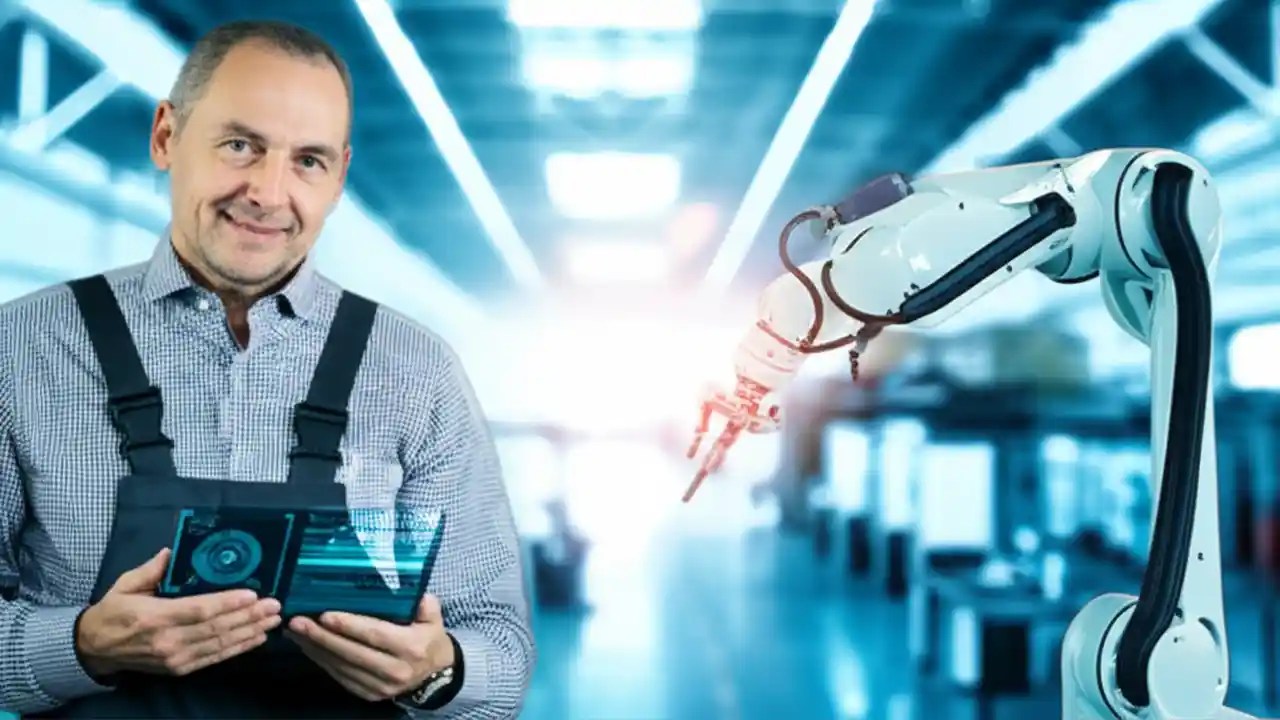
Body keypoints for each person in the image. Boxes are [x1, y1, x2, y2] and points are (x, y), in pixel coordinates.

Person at [0, 19, 534, 719]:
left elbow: (498, 642)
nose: (267, 191)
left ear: (338, 176)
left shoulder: (416, 373)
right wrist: (81, 646)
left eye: (307, 160)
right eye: (239, 145)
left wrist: (438, 670)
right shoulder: (24, 349)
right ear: (167, 136)